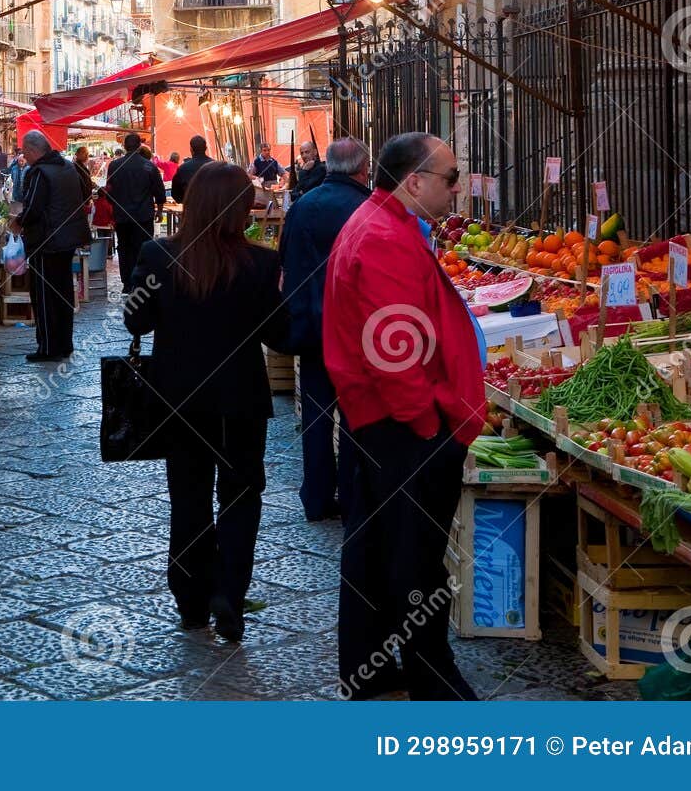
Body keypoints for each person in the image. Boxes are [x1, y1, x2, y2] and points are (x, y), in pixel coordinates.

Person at [324, 133, 482, 700]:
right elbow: (392, 351)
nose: (457, 188)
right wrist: (424, 422)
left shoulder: (376, 223)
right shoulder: (386, 236)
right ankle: (431, 677)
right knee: (414, 557)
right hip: (400, 426)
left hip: (380, 420)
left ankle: (366, 667)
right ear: (414, 182)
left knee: (375, 548)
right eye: (450, 176)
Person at [124, 163, 290, 639]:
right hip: (240, 399)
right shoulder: (261, 264)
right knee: (241, 497)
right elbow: (280, 335)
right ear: (238, 210)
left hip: (179, 400)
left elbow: (136, 323)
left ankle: (191, 598)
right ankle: (229, 595)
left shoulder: (159, 256)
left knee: (188, 499)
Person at [278, 137, 371, 521]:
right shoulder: (368, 208)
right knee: (354, 414)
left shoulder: (302, 206)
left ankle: (316, 496)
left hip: (311, 328)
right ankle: (351, 496)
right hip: (355, 332)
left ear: (327, 166)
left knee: (316, 416)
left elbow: (285, 261)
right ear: (364, 169)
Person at [12, 131, 90, 362]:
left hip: (46, 242)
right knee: (64, 292)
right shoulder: (67, 166)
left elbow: (33, 208)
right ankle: (65, 344)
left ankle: (48, 348)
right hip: (67, 239)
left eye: (25, 152)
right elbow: (86, 192)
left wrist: (19, 222)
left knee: (44, 295)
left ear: (34, 151)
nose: (24, 156)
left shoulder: (39, 173)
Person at [105, 132, 163, 293]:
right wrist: (159, 210)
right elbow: (159, 190)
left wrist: (115, 206)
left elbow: (109, 191)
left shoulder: (115, 165)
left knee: (124, 249)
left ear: (124, 146)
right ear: (139, 146)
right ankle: (141, 282)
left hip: (122, 216)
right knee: (143, 248)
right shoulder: (149, 166)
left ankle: (127, 283)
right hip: (143, 216)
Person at [171, 135, 212, 204]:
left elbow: (175, 194)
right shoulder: (216, 166)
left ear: (191, 149)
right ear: (206, 148)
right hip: (213, 211)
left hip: (191, 210)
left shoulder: (183, 168)